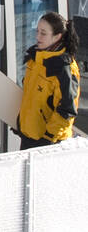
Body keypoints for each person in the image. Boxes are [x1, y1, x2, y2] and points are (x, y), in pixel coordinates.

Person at [17, 12, 81, 149]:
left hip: (47, 144)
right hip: (28, 137)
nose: (37, 37)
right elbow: (31, 97)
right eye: (37, 31)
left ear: (57, 37)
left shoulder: (64, 68)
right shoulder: (36, 59)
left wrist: (48, 138)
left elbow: (67, 110)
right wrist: (21, 123)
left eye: (43, 33)